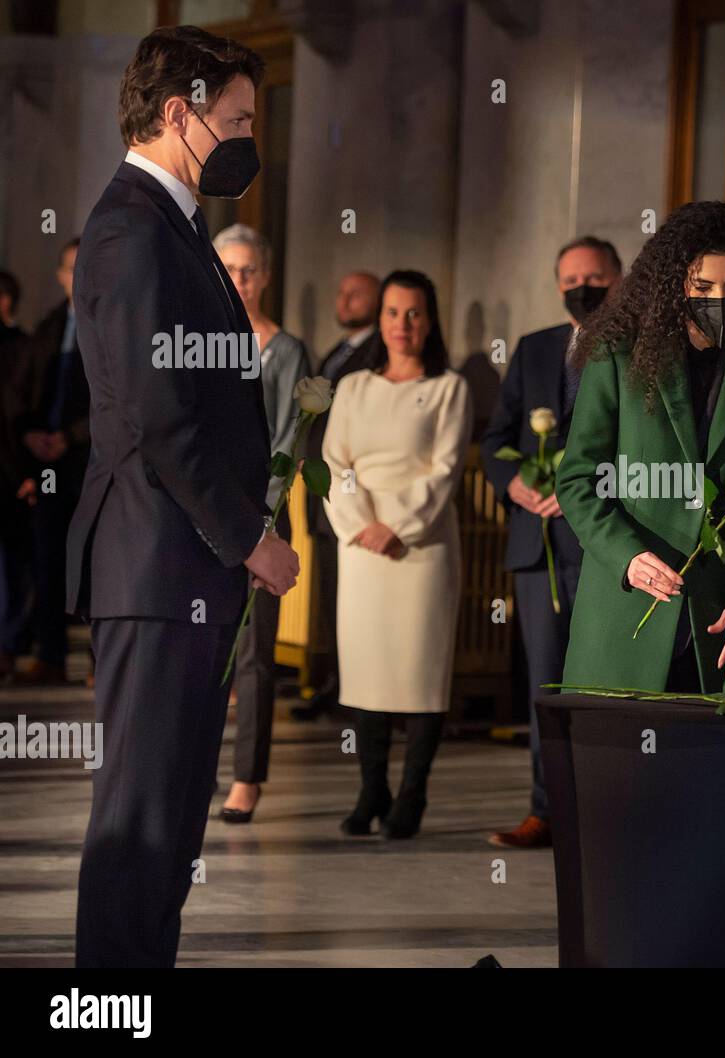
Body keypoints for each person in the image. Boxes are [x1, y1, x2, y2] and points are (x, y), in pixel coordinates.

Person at [68, 27, 298, 968]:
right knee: (141, 829)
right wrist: (252, 538)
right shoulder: (130, 228)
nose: (247, 137)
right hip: (159, 567)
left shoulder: (175, 223)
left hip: (182, 573)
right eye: (236, 118)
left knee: (170, 835)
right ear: (180, 113)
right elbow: (162, 421)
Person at [555, 200, 725, 695]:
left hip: (721, 624)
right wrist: (627, 557)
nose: (719, 298)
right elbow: (578, 481)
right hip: (625, 617)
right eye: (703, 287)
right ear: (676, 284)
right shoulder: (619, 354)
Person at [481, 235, 622, 850]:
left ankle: (604, 810)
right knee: (546, 681)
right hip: (536, 545)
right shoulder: (535, 349)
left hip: (605, 545)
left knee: (604, 682)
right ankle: (546, 810)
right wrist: (516, 485)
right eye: (570, 278)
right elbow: (495, 439)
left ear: (618, 279)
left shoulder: (638, 348)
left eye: (594, 276)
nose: (581, 287)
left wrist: (585, 490)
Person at [323, 270, 471, 839]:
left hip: (422, 547)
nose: (401, 325)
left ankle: (412, 795)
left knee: (420, 671)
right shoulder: (354, 387)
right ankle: (370, 790)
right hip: (362, 548)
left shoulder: (447, 388)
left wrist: (398, 526)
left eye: (413, 313)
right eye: (391, 312)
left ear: (429, 320)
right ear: (379, 319)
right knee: (365, 671)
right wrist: (363, 524)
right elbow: (335, 465)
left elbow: (445, 470)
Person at [213, 223, 309, 823]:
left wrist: (257, 525)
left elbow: (289, 442)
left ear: (267, 276)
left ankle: (247, 777)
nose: (240, 280)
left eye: (250, 269)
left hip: (261, 522)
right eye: (230, 268)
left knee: (254, 656)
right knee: (201, 647)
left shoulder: (287, 349)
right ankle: (192, 766)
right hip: (204, 517)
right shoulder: (196, 338)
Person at [291, 271, 381, 722]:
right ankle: (330, 682)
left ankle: (354, 689)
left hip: (354, 494)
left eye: (355, 293)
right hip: (320, 494)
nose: (343, 299)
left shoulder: (375, 352)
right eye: (341, 292)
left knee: (355, 600)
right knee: (329, 596)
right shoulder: (335, 351)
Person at [14, 239, 90, 687]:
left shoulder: (110, 324)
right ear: (61, 276)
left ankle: (102, 663)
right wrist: (30, 436)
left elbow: (117, 401)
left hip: (90, 461)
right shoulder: (47, 328)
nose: (77, 277)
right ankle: (51, 657)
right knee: (46, 558)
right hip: (45, 465)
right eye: (70, 269)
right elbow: (20, 396)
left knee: (96, 563)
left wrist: (69, 437)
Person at [0, 269, 31, 680]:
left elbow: (20, 414)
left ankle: (7, 645)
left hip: (10, 468)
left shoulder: (23, 346)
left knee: (9, 563)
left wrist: (27, 472)